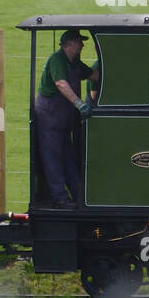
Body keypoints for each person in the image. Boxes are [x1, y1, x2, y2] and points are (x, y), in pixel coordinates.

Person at [33, 29, 94, 208]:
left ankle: (78, 195)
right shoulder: (57, 59)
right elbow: (61, 83)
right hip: (50, 115)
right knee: (52, 155)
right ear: (69, 44)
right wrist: (79, 103)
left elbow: (93, 75)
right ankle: (60, 198)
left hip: (64, 118)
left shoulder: (75, 63)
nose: (82, 45)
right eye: (79, 42)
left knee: (68, 155)